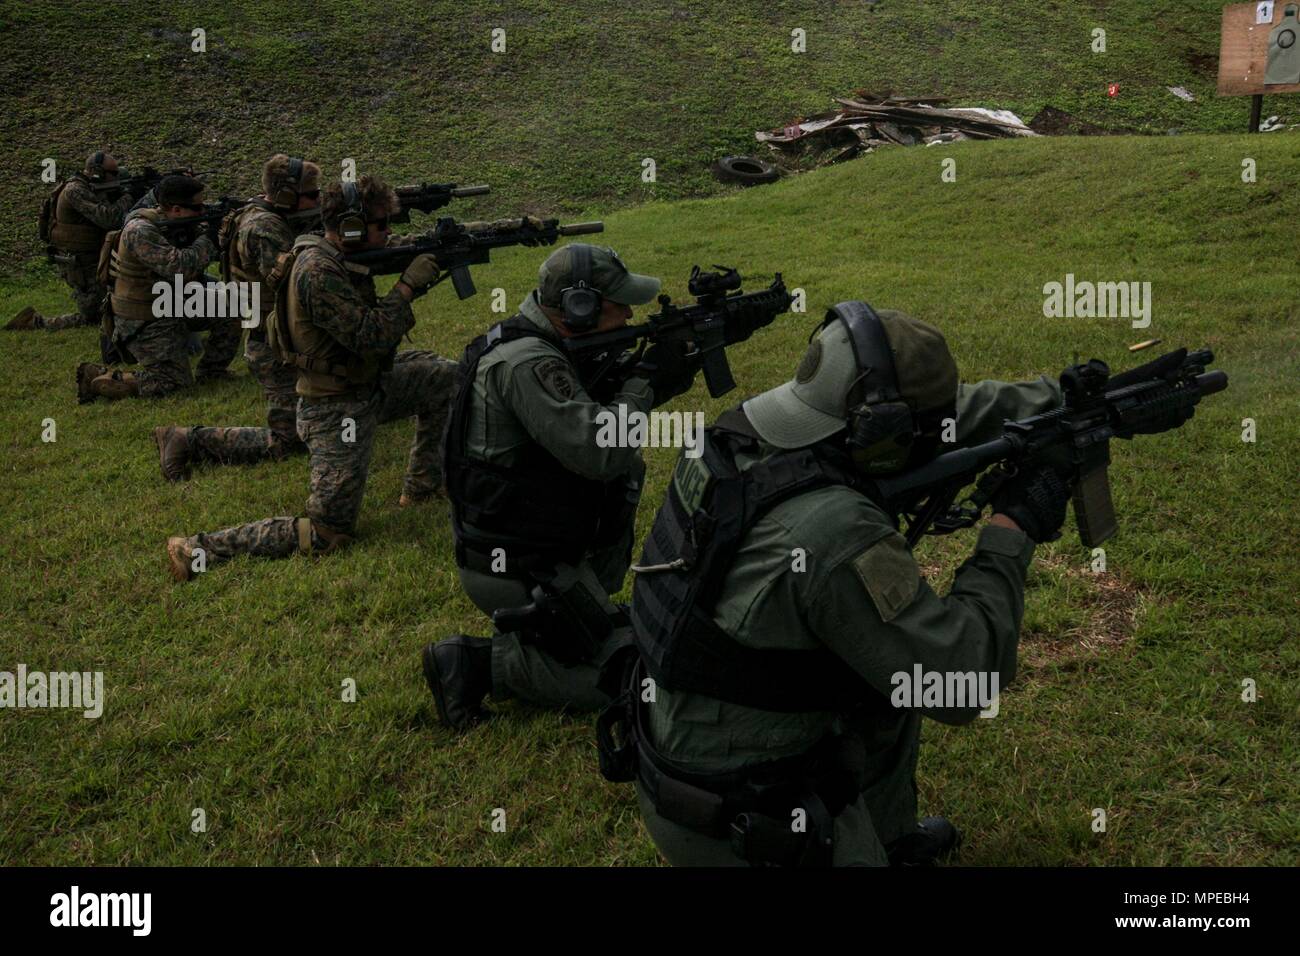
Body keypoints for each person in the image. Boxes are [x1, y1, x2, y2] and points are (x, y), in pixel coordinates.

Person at [600, 302, 1077, 867]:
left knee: (882, 663)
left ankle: (889, 837)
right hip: (748, 823)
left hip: (682, 766)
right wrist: (1011, 527)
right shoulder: (833, 531)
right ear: (884, 430)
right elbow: (960, 682)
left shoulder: (748, 435)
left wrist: (1061, 398)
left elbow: (951, 415)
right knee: (912, 662)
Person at [422, 243, 699, 730]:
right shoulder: (527, 362)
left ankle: (549, 631)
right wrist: (645, 383)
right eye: (620, 306)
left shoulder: (541, 340)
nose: (631, 314)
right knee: (644, 680)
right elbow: (601, 450)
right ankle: (476, 665)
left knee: (651, 638)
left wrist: (660, 375)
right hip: (521, 566)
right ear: (579, 308)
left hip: (537, 550)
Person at [164, 175, 457, 579]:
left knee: (448, 379)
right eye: (381, 224)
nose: (389, 232)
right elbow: (370, 336)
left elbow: (394, 252)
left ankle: (423, 486)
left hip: (365, 385)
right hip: (335, 408)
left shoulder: (332, 252)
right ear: (350, 227)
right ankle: (199, 548)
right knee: (328, 533)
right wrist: (406, 288)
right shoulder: (317, 271)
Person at [153, 154, 322, 479]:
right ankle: (188, 439)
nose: (318, 200)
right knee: (291, 441)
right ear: (287, 195)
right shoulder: (264, 228)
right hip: (272, 345)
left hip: (274, 333)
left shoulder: (258, 212)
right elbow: (298, 284)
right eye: (312, 195)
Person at [75, 174, 240, 402]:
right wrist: (208, 238)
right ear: (176, 209)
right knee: (175, 383)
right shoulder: (140, 230)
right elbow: (180, 266)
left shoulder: (173, 223)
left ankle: (212, 371)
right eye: (197, 207)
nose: (203, 211)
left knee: (232, 307)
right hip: (143, 318)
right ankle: (105, 377)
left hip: (171, 303)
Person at [7, 151, 135, 332]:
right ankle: (37, 322)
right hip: (80, 264)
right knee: (98, 316)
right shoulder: (75, 190)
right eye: (113, 173)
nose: (117, 176)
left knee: (122, 305)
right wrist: (129, 196)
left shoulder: (92, 187)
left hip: (93, 257)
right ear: (96, 172)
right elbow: (109, 219)